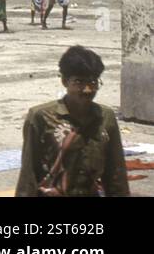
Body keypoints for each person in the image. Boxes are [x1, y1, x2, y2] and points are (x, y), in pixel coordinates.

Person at [15, 46, 130, 197]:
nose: (88, 89)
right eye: (79, 82)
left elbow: (115, 173)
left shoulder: (105, 117)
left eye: (93, 82)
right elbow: (28, 175)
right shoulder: (40, 116)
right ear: (64, 81)